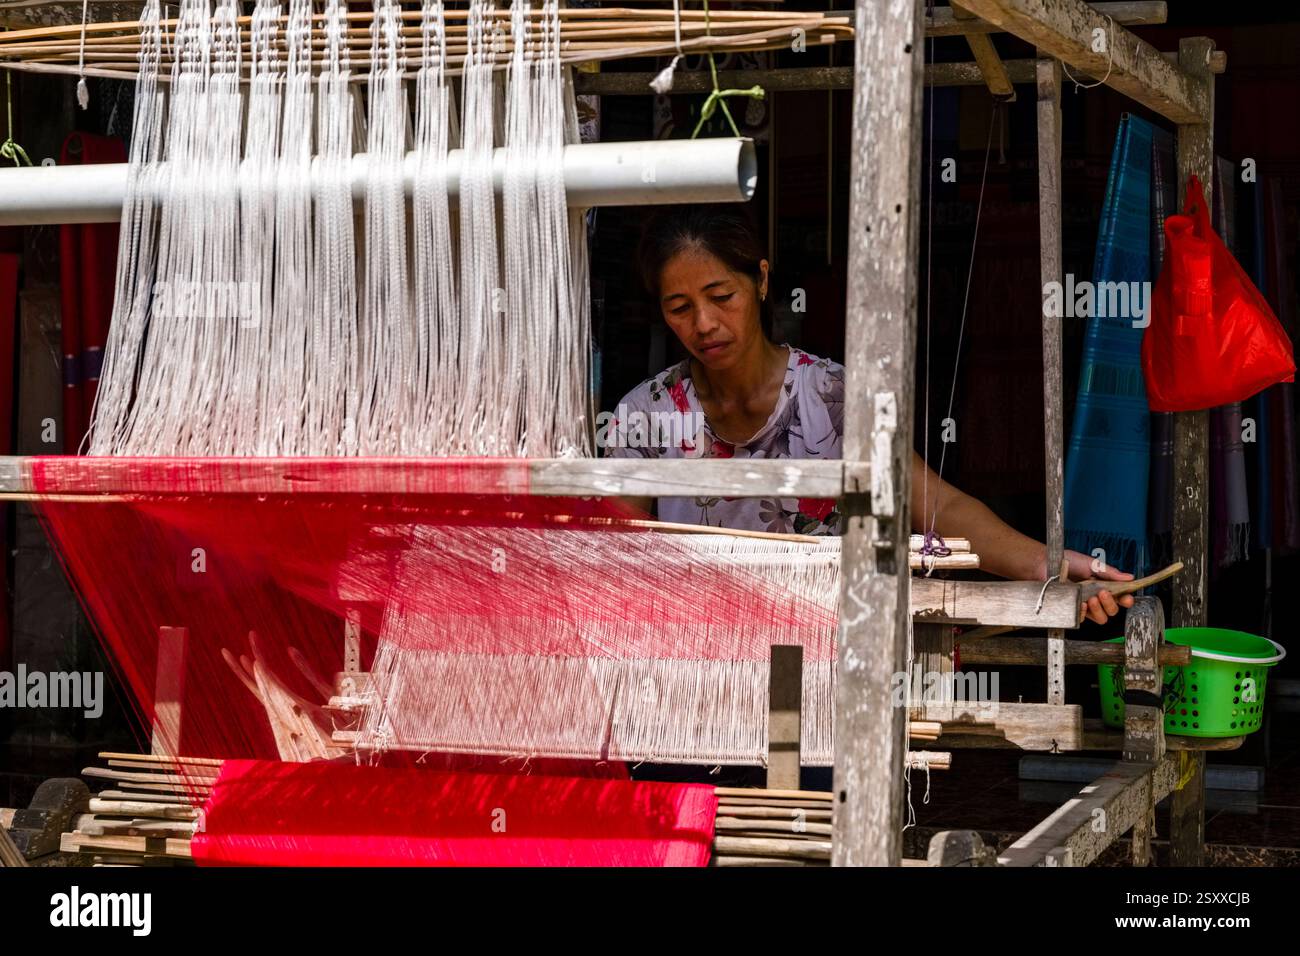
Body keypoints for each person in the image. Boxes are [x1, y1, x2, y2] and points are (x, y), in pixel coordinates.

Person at [605, 203, 1133, 624]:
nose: (703, 323)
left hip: (826, 664)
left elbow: (932, 506)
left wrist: (1050, 565)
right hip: (691, 670)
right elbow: (612, 557)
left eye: (722, 296)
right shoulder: (644, 416)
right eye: (679, 308)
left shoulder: (833, 397)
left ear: (762, 281)